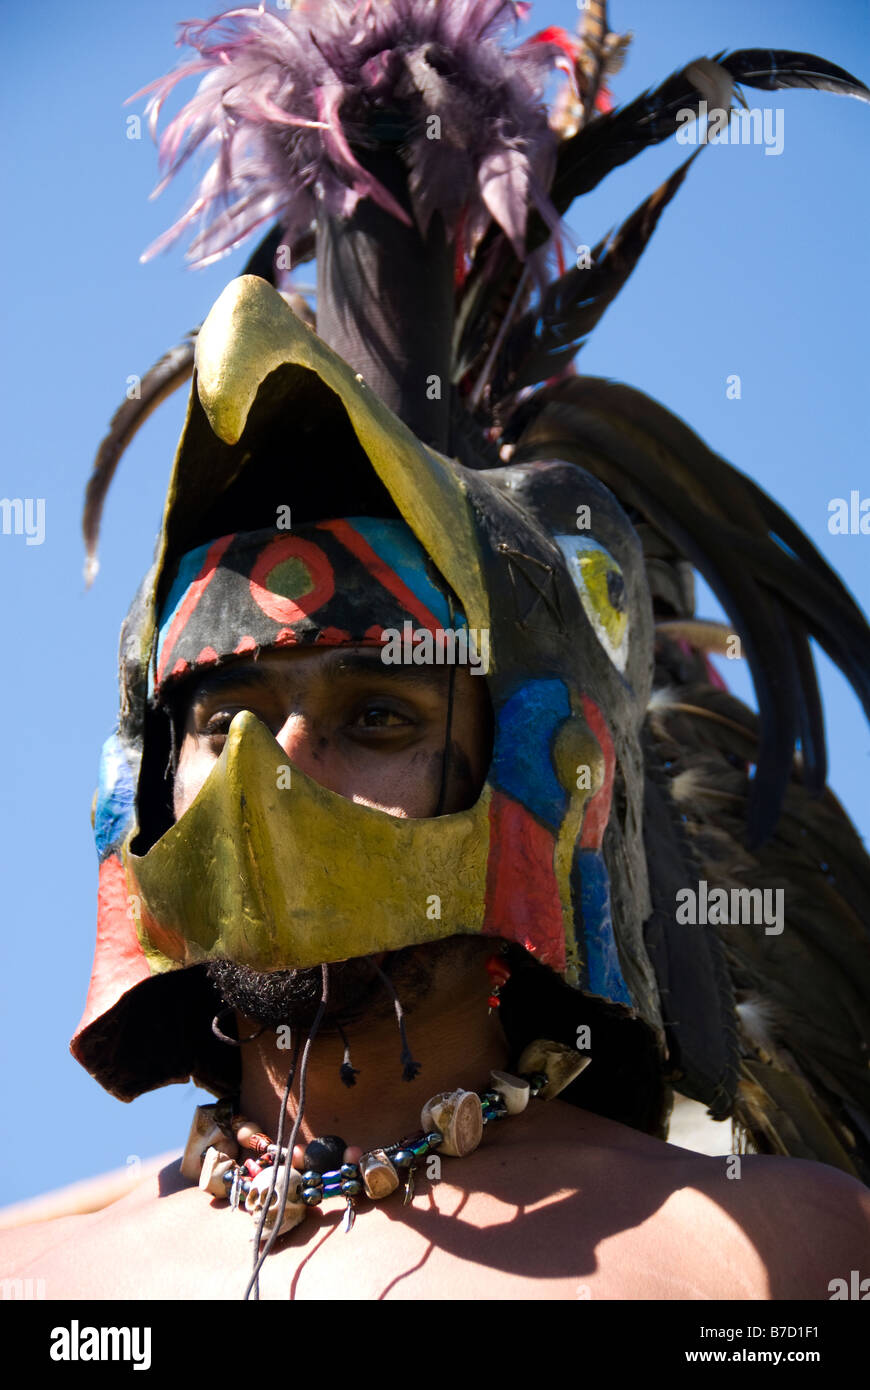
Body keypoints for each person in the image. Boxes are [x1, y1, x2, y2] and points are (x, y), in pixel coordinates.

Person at [3, 0, 870, 1301]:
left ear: (547, 776)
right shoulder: (29, 1269)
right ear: (133, 786)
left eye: (378, 716)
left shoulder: (774, 1260)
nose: (276, 760)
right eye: (223, 708)